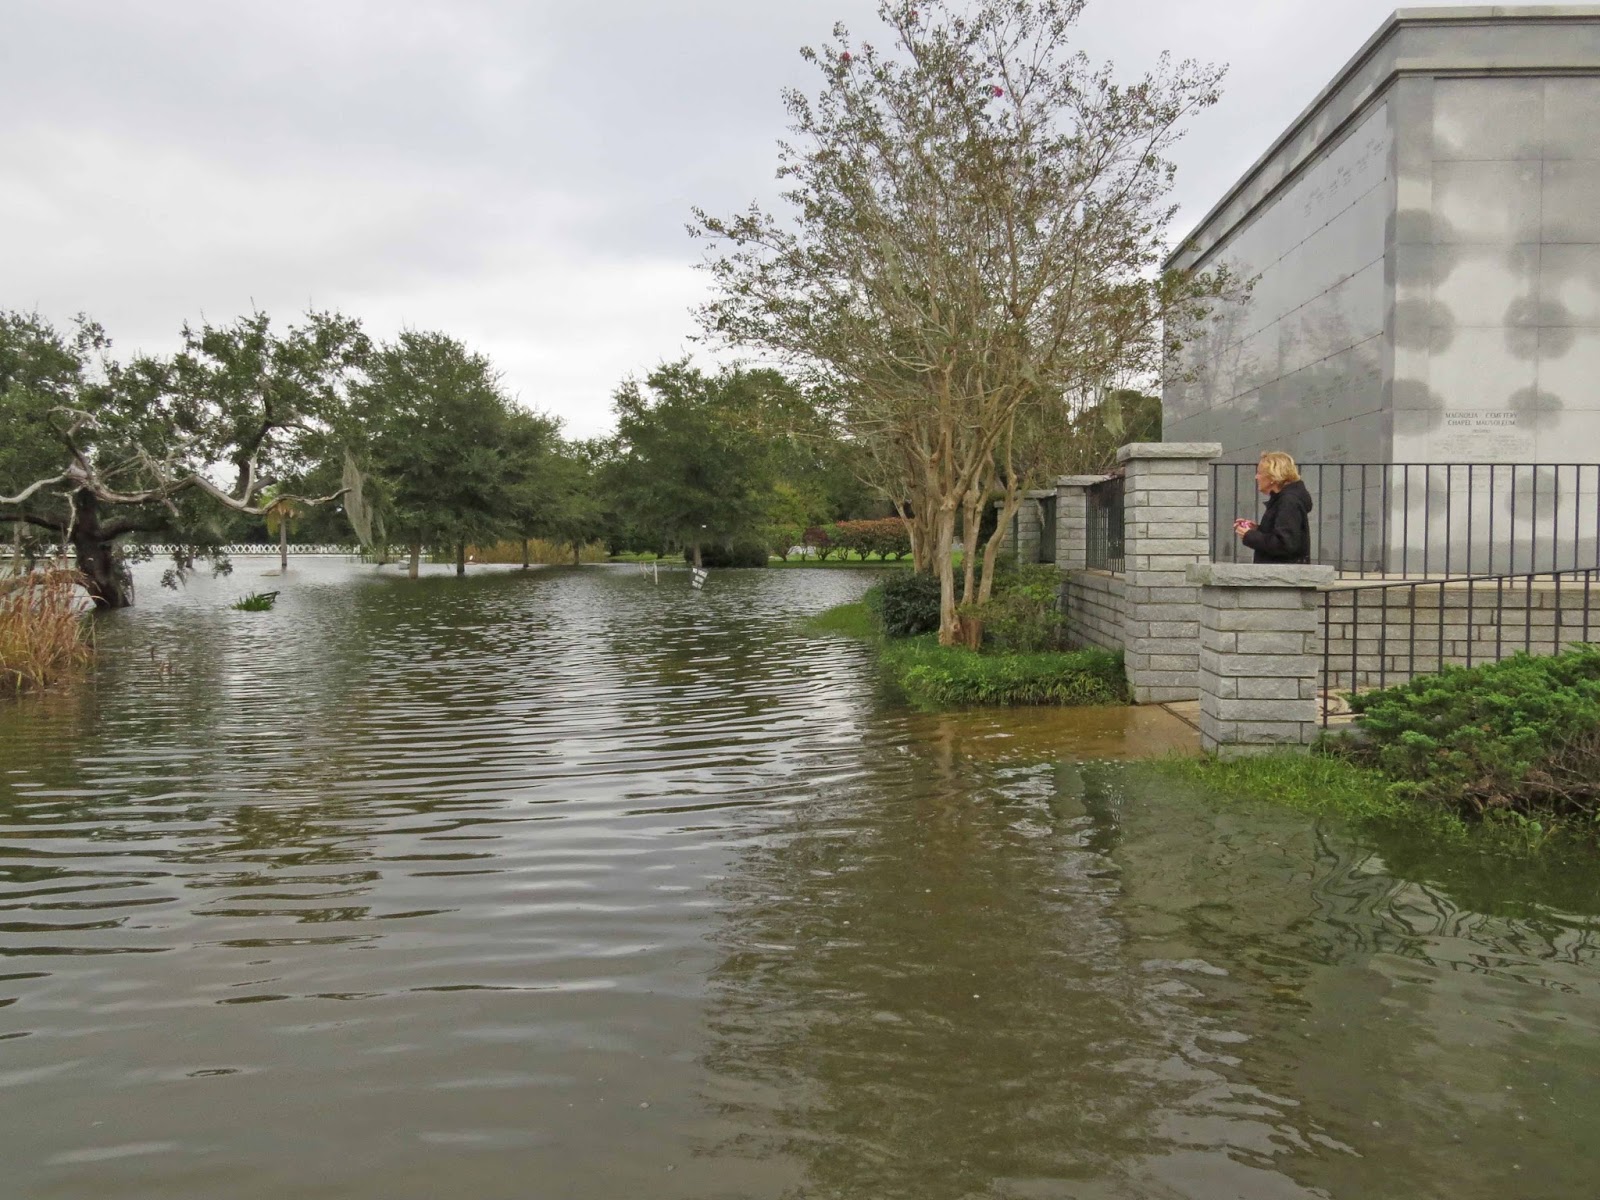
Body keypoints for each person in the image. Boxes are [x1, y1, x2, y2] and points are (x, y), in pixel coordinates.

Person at [1233, 451, 1313, 564]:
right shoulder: (1283, 499)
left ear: (1272, 476)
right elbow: (1285, 535)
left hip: (1283, 576)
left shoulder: (1288, 501)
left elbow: (1284, 544)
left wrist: (1250, 536)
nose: (1256, 477)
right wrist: (1257, 529)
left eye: (1259, 473)